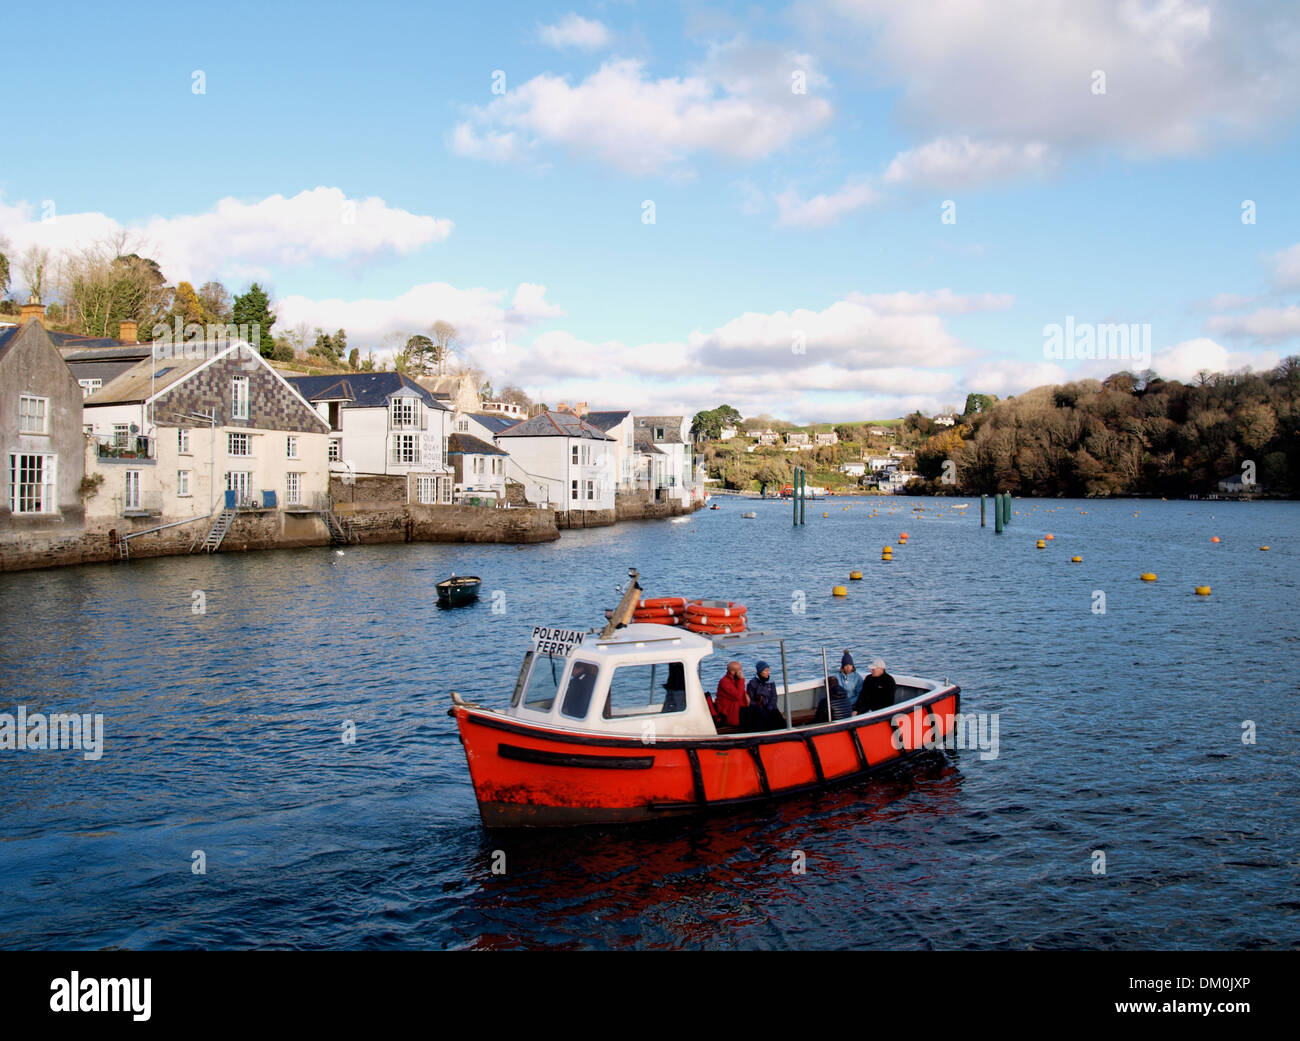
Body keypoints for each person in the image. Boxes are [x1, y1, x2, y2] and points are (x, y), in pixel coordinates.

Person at [743, 660, 785, 731]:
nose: (768, 673)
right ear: (760, 671)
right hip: (759, 709)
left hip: (771, 707)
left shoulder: (771, 682)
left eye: (768, 670)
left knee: (781, 723)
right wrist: (759, 707)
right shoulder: (752, 683)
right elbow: (751, 700)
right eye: (765, 671)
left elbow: (774, 696)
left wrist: (771, 706)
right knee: (765, 723)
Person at [713, 660, 748, 728]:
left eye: (741, 670)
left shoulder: (735, 680)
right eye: (739, 670)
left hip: (739, 709)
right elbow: (738, 696)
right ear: (732, 672)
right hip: (730, 713)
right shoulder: (724, 682)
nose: (741, 672)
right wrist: (741, 679)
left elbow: (742, 694)